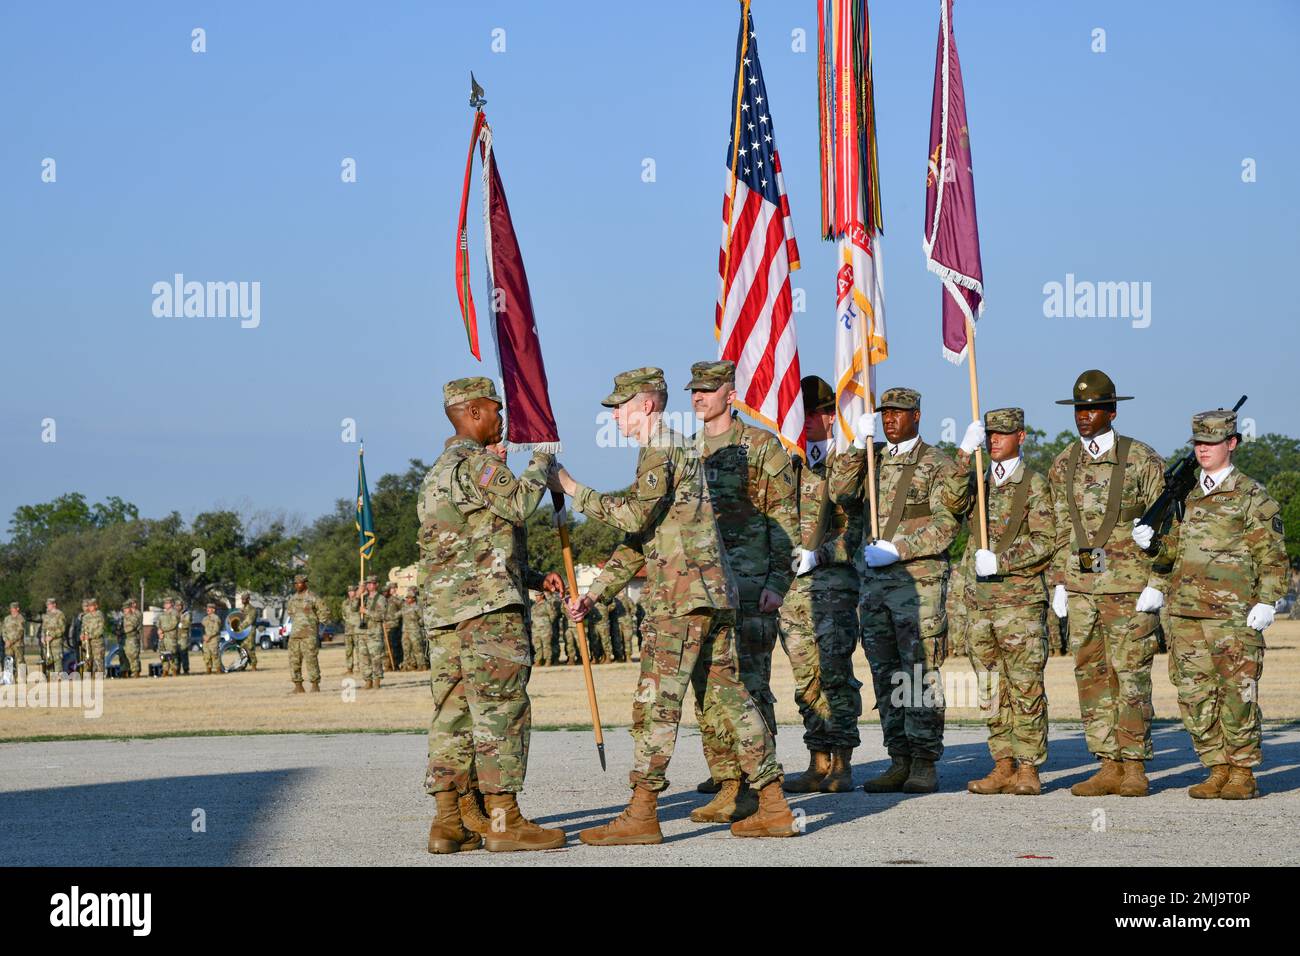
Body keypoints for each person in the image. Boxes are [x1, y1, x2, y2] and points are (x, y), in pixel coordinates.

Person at [549, 367, 797, 844]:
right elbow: (643, 538)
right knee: (732, 698)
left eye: (619, 407)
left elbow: (634, 514)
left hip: (681, 601)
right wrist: (596, 592)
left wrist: (572, 487)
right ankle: (773, 804)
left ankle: (642, 813)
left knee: (656, 705)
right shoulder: (677, 447)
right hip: (711, 595)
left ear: (645, 405)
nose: (614, 417)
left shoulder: (662, 447)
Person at [419, 375, 565, 853]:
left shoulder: (435, 474)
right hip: (487, 613)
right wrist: (543, 456)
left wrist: (534, 575)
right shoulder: (476, 464)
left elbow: (470, 547)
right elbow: (520, 504)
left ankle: (448, 822)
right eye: (497, 411)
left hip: (445, 615)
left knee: (452, 715)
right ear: (474, 413)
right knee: (500, 711)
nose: (503, 421)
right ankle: (505, 822)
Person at [1133, 410, 1289, 799]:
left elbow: (1272, 555)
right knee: (1194, 695)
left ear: (1231, 444)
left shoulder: (1252, 495)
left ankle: (1242, 773)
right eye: (1199, 444)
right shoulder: (1185, 495)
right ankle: (1216, 766)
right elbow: (1174, 551)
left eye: (1212, 443)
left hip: (1233, 616)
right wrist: (1152, 543)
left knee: (1237, 694)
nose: (1204, 450)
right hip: (1185, 612)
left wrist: (1268, 599)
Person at [685, 360, 800, 820]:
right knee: (707, 688)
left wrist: (777, 582)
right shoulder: (685, 451)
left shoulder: (759, 446)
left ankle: (759, 784)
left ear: (729, 395)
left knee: (750, 686)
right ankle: (728, 781)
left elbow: (786, 520)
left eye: (708, 390)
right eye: (694, 389)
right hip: (702, 588)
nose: (699, 397)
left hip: (750, 585)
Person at [830, 387, 960, 794]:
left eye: (899, 413)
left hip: (917, 586)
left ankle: (923, 761)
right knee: (884, 673)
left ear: (917, 416)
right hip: (874, 589)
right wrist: (854, 447)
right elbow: (840, 494)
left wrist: (900, 549)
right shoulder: (872, 457)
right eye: (885, 413)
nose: (889, 419)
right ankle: (898, 758)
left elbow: (946, 525)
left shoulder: (938, 464)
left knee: (918, 673)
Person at [1047, 370, 1166, 797]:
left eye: (1093, 408)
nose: (1085, 416)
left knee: (1130, 672)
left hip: (1128, 587)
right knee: (1090, 673)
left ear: (1111, 411)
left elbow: (1169, 525)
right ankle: (1107, 762)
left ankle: (1134, 763)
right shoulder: (1063, 463)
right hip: (1081, 589)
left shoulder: (1141, 459)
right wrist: (1059, 581)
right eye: (1080, 409)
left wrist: (1158, 580)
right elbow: (1058, 526)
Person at [941, 409, 1055, 796]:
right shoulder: (978, 481)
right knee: (990, 689)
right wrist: (961, 455)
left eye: (1003, 434)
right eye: (989, 435)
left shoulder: (1034, 484)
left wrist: (1003, 561)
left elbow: (1046, 542)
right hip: (980, 605)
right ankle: (1002, 762)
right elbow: (951, 503)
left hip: (1019, 605)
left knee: (1024, 687)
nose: (994, 441)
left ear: (1020, 437)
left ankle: (1028, 767)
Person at [780, 376, 864, 794]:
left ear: (830, 416)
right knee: (805, 679)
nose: (804, 420)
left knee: (835, 675)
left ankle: (843, 763)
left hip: (833, 588)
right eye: (801, 412)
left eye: (811, 413)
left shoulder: (848, 465)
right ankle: (817, 759)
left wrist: (821, 554)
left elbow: (859, 532)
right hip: (793, 592)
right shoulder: (788, 465)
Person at [285, 573, 326, 692]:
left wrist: (317, 624)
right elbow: (291, 613)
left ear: (305, 583)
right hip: (295, 635)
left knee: (311, 659)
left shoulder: (313, 597)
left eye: (300, 583)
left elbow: (324, 612)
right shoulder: (292, 598)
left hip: (309, 634)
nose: (297, 585)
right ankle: (298, 686)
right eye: (296, 583)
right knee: (294, 660)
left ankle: (315, 685)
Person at [358, 575, 386, 688]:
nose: (369, 585)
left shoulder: (381, 598)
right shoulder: (363, 597)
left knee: (376, 658)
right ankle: (367, 680)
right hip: (363, 632)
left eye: (372, 583)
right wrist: (357, 594)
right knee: (364, 658)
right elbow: (353, 608)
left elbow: (381, 616)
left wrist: (366, 611)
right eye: (367, 584)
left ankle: (377, 681)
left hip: (374, 633)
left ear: (376, 585)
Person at [401, 588, 427, 670]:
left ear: (413, 598)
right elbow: (398, 615)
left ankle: (421, 665)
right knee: (406, 649)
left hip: (415, 631)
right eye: (407, 598)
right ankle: (408, 665)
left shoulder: (417, 607)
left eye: (409, 598)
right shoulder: (404, 607)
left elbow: (423, 618)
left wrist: (418, 624)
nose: (407, 599)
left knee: (417, 649)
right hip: (405, 631)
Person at [41, 598, 67, 679]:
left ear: (54, 604)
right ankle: (50, 678)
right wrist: (42, 637)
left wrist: (52, 636)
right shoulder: (46, 615)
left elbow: (62, 629)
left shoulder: (60, 614)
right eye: (47, 604)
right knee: (48, 660)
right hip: (47, 643)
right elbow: (43, 628)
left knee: (57, 660)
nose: (48, 606)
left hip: (56, 642)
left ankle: (58, 678)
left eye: (49, 604)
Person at [530, 591, 556, 666]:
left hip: (545, 628)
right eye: (536, 596)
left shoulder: (547, 604)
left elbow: (552, 615)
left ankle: (548, 660)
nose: (536, 597)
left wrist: (546, 623)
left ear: (542, 596)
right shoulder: (534, 605)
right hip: (535, 628)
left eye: (538, 595)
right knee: (537, 645)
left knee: (546, 645)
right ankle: (538, 660)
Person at [81, 598, 107, 675]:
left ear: (96, 606)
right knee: (87, 661)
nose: (90, 607)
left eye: (92, 605)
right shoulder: (86, 617)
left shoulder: (99, 615)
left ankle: (99, 678)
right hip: (87, 643)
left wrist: (90, 636)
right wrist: (82, 635)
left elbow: (100, 630)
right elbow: (83, 628)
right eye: (89, 606)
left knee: (98, 660)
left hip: (97, 642)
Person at [155, 598, 179, 677]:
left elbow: (173, 624)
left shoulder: (174, 613)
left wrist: (163, 630)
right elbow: (158, 623)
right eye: (165, 603)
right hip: (163, 637)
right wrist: (159, 631)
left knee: (172, 654)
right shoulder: (162, 614)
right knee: (163, 654)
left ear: (171, 604)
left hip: (171, 637)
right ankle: (165, 670)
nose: (165, 604)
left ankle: (174, 670)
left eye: (167, 603)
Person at [236, 592, 260, 671]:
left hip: (249, 632)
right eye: (242, 599)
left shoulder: (252, 609)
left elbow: (249, 621)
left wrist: (239, 627)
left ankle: (253, 665)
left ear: (248, 599)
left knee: (250, 649)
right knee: (242, 648)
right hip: (242, 632)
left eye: (244, 599)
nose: (242, 600)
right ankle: (243, 664)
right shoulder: (242, 609)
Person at [121, 598, 143, 678]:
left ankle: (136, 672)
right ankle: (131, 671)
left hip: (132, 638)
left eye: (126, 608)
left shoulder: (135, 615)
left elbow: (131, 626)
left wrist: (123, 630)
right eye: (124, 609)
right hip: (126, 639)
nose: (125, 610)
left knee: (133, 655)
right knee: (128, 655)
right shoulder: (124, 617)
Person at [3, 602, 26, 675]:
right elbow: (3, 630)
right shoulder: (7, 619)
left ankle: (22, 679)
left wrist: (11, 641)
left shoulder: (20, 618)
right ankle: (9, 679)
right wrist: (6, 640)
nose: (12, 609)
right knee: (8, 661)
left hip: (18, 645)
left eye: (13, 608)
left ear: (17, 609)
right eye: (11, 608)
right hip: (8, 645)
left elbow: (20, 632)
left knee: (20, 662)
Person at [342, 584, 360, 675]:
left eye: (352, 591)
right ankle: (349, 668)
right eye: (349, 591)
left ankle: (361, 668)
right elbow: (344, 615)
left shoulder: (359, 600)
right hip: (348, 630)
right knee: (348, 651)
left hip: (357, 629)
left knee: (359, 650)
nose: (350, 593)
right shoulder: (345, 602)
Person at [201, 603, 222, 675]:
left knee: (214, 654)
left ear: (213, 609)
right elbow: (202, 628)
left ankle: (218, 670)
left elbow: (216, 630)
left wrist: (209, 636)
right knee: (207, 655)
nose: (207, 609)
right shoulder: (205, 618)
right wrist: (204, 636)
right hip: (206, 639)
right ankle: (208, 669)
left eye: (209, 608)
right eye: (207, 607)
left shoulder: (216, 618)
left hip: (213, 639)